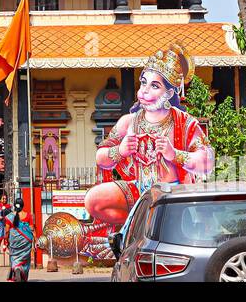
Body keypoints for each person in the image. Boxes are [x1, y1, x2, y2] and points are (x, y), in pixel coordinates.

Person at [82, 44, 213, 259]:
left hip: (172, 195)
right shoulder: (128, 122)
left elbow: (207, 160)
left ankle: (145, 230)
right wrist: (120, 151)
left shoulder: (184, 122)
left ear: (169, 93)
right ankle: (135, 227)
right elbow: (101, 157)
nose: (144, 91)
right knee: (94, 199)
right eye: (143, 83)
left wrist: (175, 154)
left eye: (154, 86)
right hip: (137, 192)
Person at [5, 199, 36, 282]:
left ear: (14, 205)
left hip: (14, 242)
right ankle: (22, 270)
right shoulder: (28, 215)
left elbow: (7, 231)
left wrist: (6, 242)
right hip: (26, 242)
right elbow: (32, 229)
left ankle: (16, 268)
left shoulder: (10, 216)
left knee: (14, 257)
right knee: (25, 259)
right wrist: (35, 240)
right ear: (23, 205)